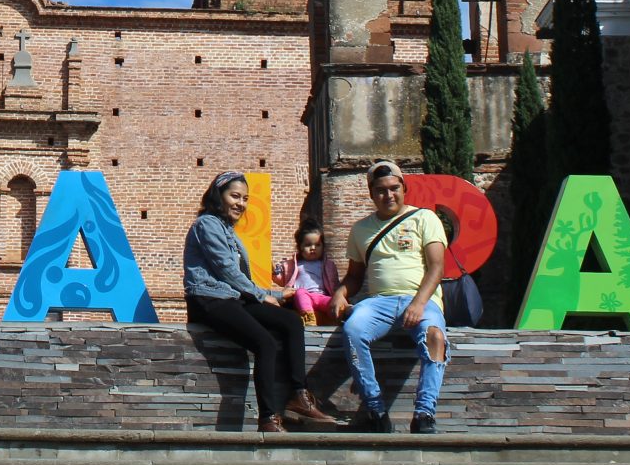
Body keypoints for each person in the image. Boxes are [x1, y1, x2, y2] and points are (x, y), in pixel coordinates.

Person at [183, 171, 344, 432]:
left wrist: (278, 295)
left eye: (245, 198)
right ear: (218, 196)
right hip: (208, 298)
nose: (241, 203)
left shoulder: (228, 231)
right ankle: (268, 418)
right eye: (235, 196)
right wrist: (262, 296)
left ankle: (299, 395)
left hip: (232, 298)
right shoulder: (206, 224)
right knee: (265, 342)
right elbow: (226, 270)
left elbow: (240, 280)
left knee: (291, 321)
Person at [330, 160, 450, 434]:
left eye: (394, 188)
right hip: (378, 302)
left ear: (404, 188)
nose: (389, 195)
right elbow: (354, 276)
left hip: (422, 299)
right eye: (381, 190)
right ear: (371, 194)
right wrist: (340, 293)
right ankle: (376, 410)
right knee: (352, 330)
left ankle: (424, 414)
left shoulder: (425, 218)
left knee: (435, 336)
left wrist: (418, 303)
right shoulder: (360, 229)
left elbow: (437, 268)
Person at [274, 220, 338, 325]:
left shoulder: (328, 265)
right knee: (300, 292)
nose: (313, 248)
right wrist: (275, 273)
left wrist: (338, 296)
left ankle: (341, 313)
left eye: (317, 245)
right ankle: (308, 317)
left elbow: (334, 283)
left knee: (333, 301)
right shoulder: (294, 265)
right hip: (303, 297)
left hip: (322, 296)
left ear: (323, 246)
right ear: (300, 247)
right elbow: (282, 279)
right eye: (308, 245)